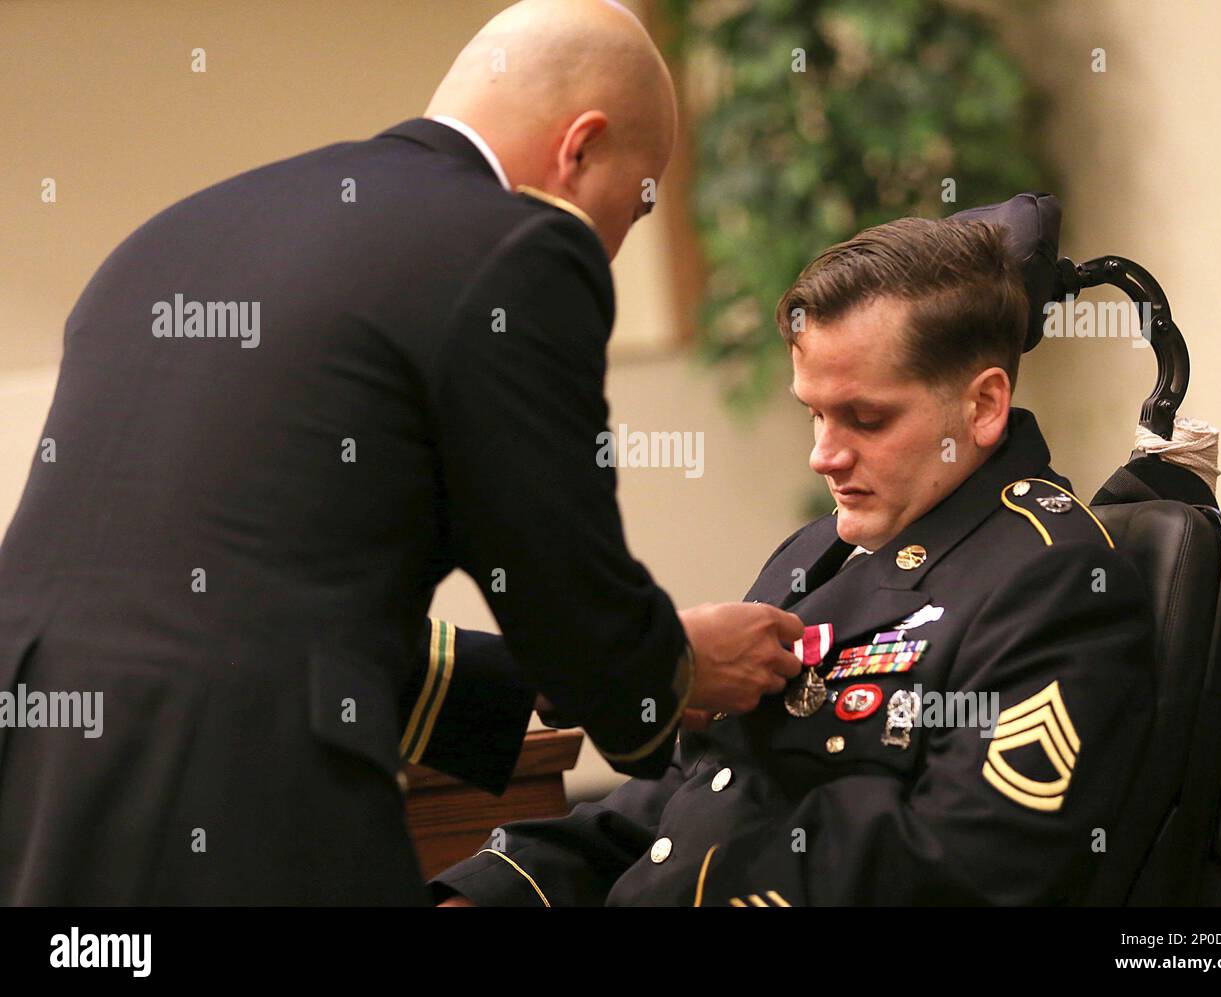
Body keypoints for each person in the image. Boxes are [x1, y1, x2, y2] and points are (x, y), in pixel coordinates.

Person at [0, 0, 800, 904]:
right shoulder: (518, 250)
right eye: (638, 203)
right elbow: (562, 584)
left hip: (38, 770)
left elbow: (244, 596)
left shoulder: (173, 235)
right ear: (580, 147)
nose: (617, 245)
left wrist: (537, 686)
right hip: (234, 785)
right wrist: (669, 667)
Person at [430, 216, 1157, 906]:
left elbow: (960, 874)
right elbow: (686, 795)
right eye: (814, 412)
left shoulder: (1053, 582)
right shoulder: (820, 551)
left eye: (865, 419)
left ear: (983, 406)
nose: (824, 455)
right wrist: (495, 887)